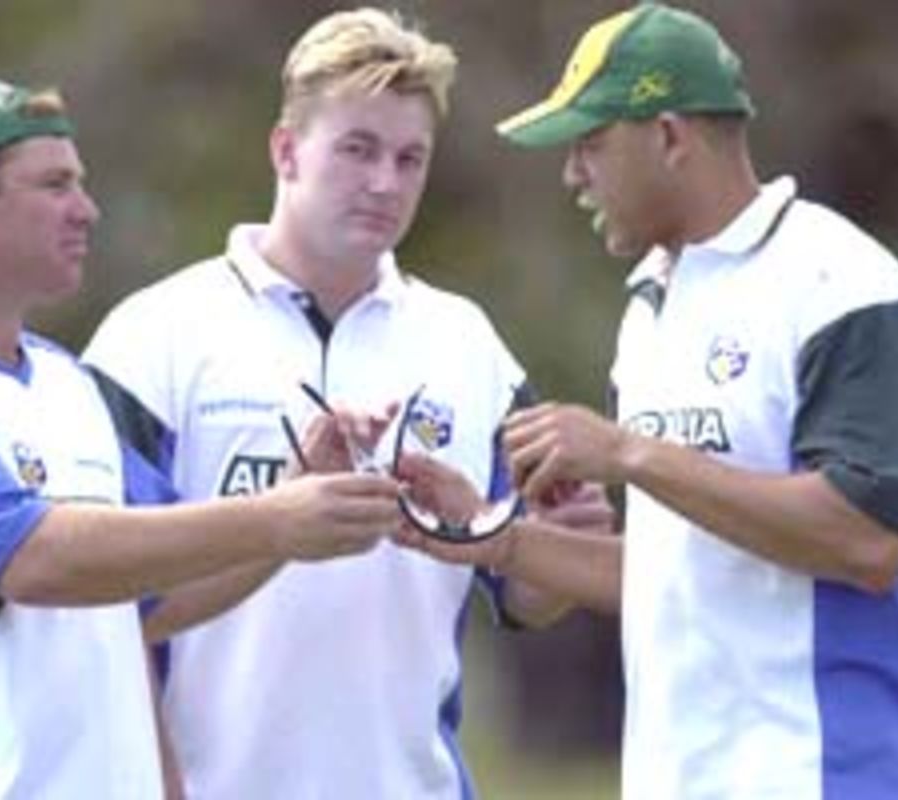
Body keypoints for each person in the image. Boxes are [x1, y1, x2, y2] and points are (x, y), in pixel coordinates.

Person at [0, 77, 403, 799]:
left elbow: (161, 593)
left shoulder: (68, 383)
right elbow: (32, 562)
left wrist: (291, 508)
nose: (87, 210)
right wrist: (274, 519)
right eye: (54, 185)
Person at [403, 3, 898, 798]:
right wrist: (495, 541)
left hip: (836, 777)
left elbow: (869, 542)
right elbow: (679, 571)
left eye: (590, 144)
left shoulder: (844, 288)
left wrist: (630, 453)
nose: (572, 175)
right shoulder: (653, 309)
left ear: (668, 137)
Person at [83, 8, 612, 799]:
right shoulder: (153, 337)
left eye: (410, 158)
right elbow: (93, 601)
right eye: (357, 149)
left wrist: (561, 556)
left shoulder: (467, 344)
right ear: (286, 150)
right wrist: (277, 520)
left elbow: (522, 596)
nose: (384, 183)